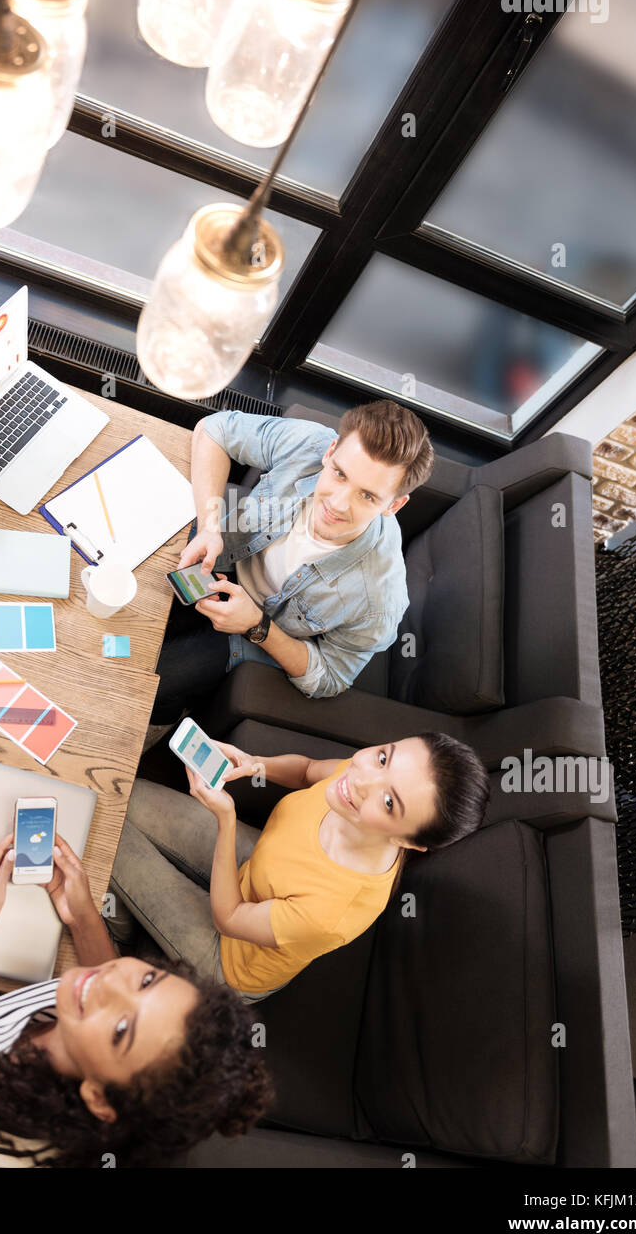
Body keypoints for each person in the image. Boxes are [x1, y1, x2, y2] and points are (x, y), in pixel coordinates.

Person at [0, 834, 271, 1168]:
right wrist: (81, 915)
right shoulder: (91, 1007)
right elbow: (110, 973)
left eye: (121, 1031)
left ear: (98, 1097)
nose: (108, 983)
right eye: (148, 980)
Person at [106, 732, 490, 1002]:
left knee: (105, 832)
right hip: (257, 865)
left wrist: (225, 820)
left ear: (408, 842)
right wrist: (253, 763)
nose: (361, 780)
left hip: (230, 953)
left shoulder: (330, 913)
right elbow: (307, 770)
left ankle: (118, 923)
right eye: (384, 757)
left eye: (389, 802)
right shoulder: (356, 779)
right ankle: (121, 906)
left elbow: (230, 917)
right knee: (124, 793)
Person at [149, 400, 435, 728]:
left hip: (258, 632)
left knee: (155, 677)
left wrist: (256, 625)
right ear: (330, 452)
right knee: (133, 613)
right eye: (339, 474)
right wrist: (211, 527)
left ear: (394, 505)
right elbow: (214, 430)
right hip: (224, 557)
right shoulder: (308, 443)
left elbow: (329, 679)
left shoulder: (381, 602)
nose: (338, 504)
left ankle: (162, 717)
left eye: (367, 496)